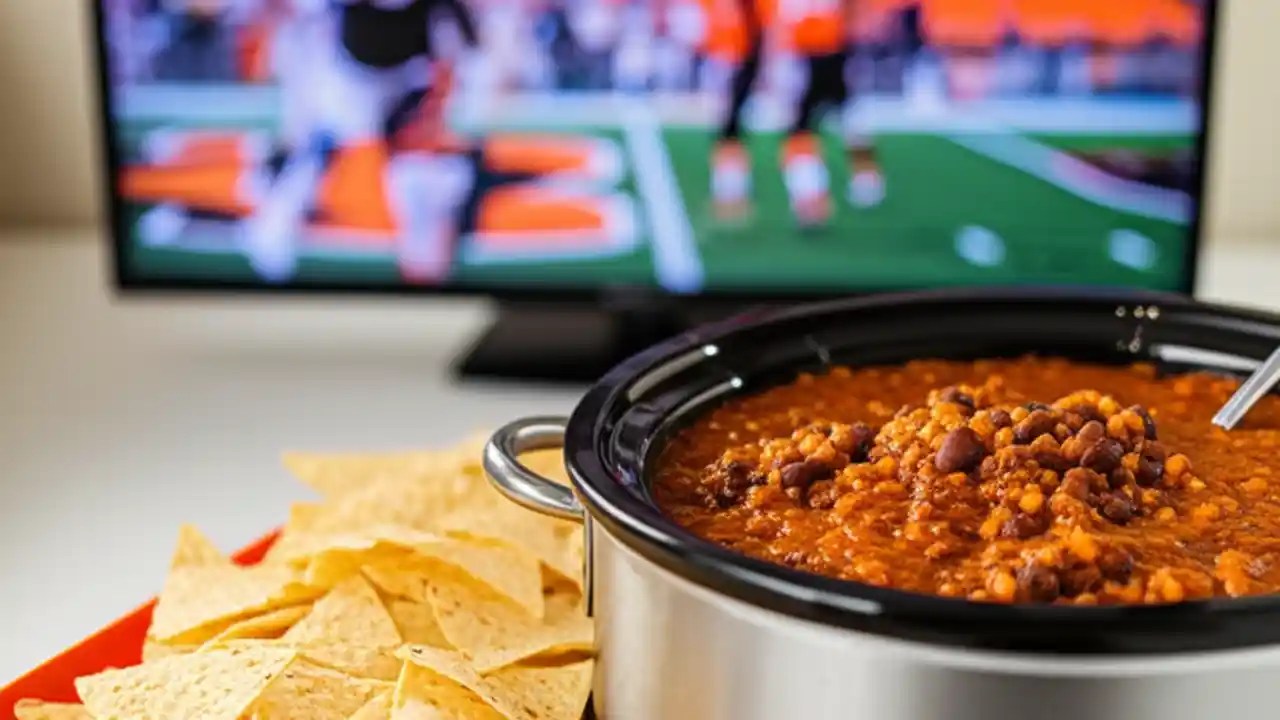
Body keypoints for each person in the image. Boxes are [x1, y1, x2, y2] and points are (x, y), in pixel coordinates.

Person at [242, 0, 480, 283]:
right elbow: (302, 29)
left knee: (425, 183)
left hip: (410, 87)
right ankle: (273, 238)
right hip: (346, 86)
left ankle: (426, 269)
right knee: (304, 169)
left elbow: (469, 50)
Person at [770, 0, 885, 226]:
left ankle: (853, 182)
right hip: (811, 51)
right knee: (814, 123)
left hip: (827, 50)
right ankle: (818, 192)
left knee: (824, 122)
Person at [705, 0, 764, 221]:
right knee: (725, 126)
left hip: (740, 60)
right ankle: (728, 189)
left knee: (731, 125)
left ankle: (733, 190)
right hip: (720, 60)